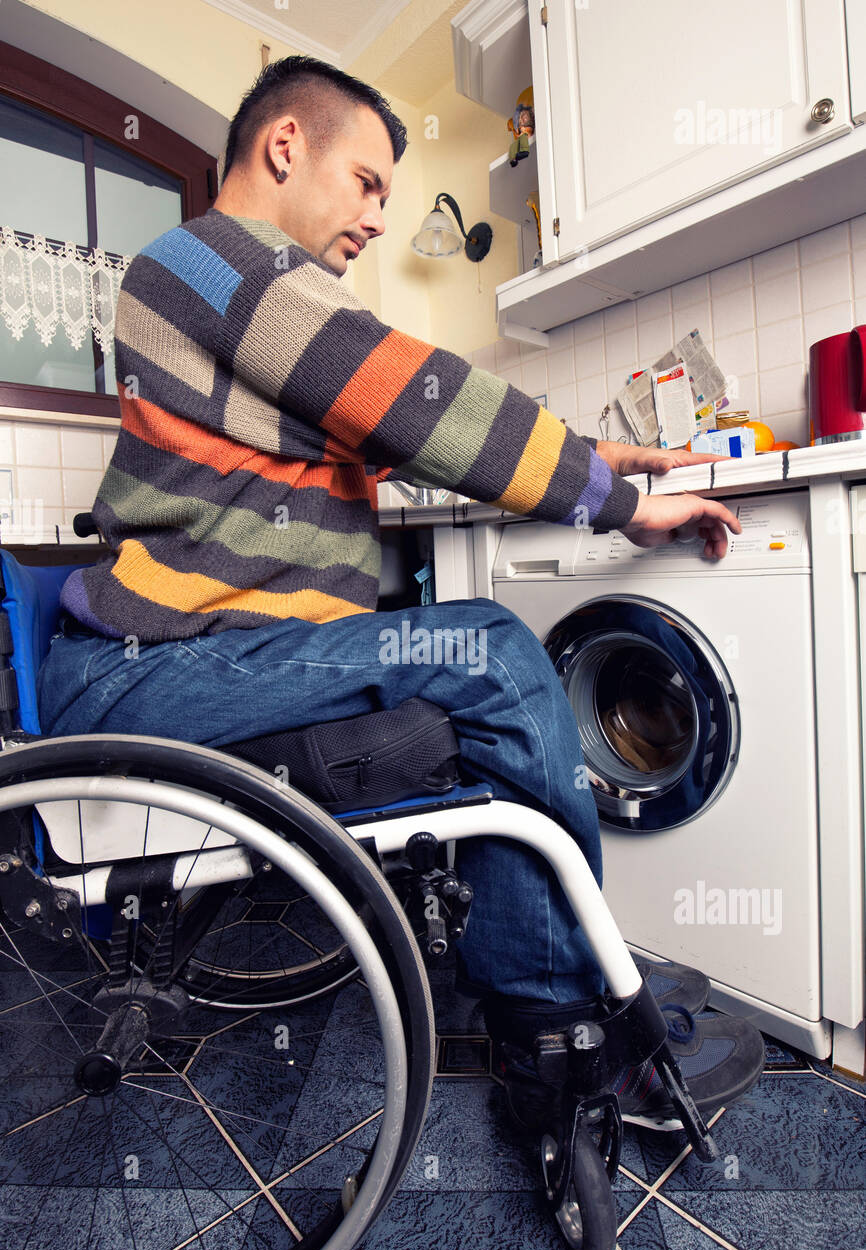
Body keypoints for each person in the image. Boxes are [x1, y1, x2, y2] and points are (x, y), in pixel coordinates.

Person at [36, 55, 764, 1135]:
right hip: (148, 673)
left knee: (480, 675)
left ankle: (550, 988)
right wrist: (611, 501)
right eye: (368, 181)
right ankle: (557, 1034)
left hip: (198, 658)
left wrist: (602, 460)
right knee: (496, 655)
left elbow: (397, 430)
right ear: (285, 146)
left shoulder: (249, 308)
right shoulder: (201, 262)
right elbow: (415, 399)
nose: (379, 214)